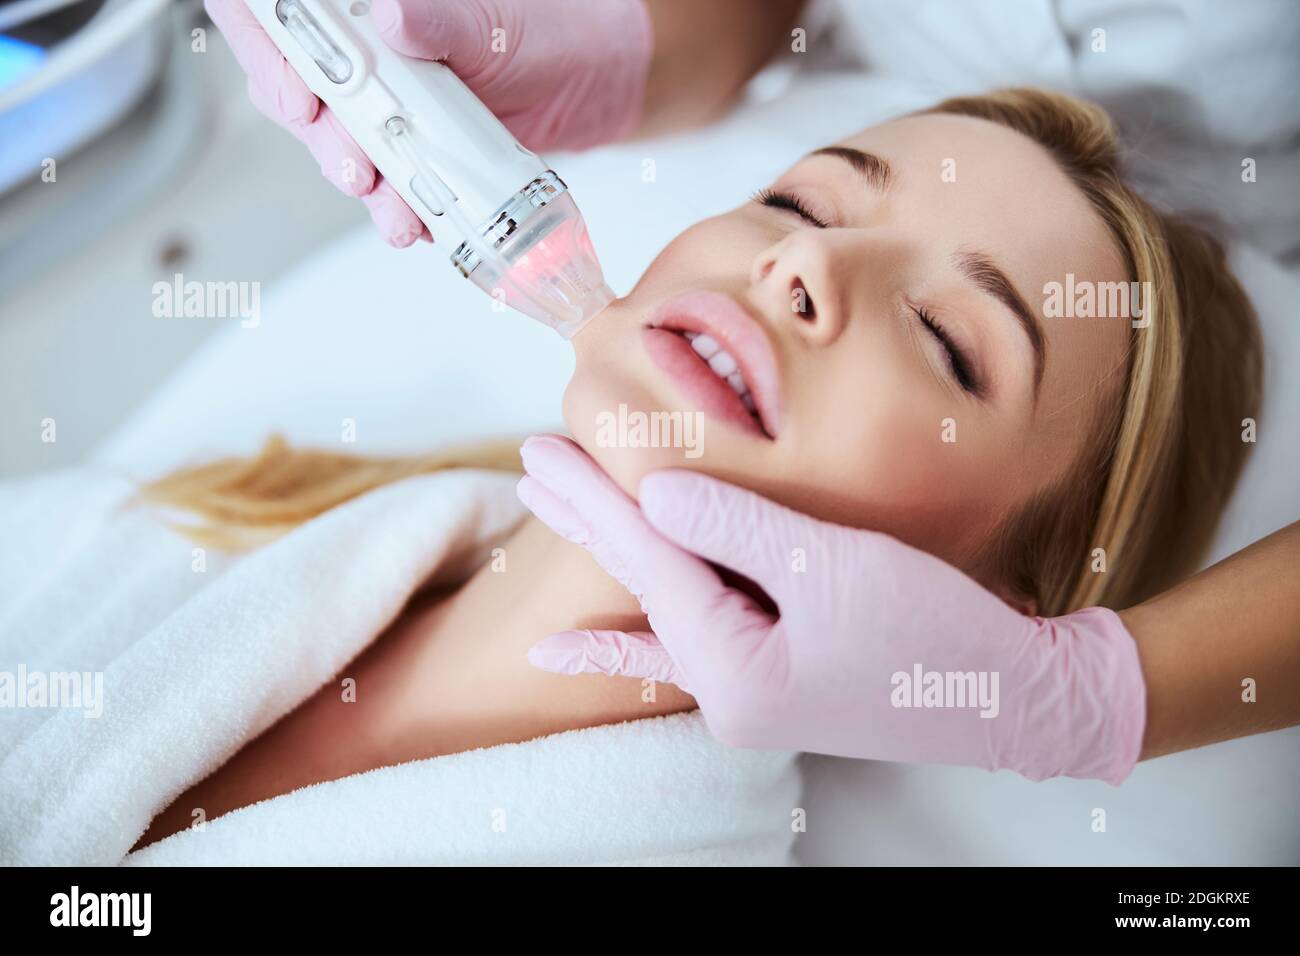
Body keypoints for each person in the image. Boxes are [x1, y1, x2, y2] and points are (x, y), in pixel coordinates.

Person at [201, 0, 1297, 783]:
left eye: (946, 342)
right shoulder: (215, 528)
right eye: (799, 204)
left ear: (987, 620)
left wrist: (1084, 696)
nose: (802, 268)